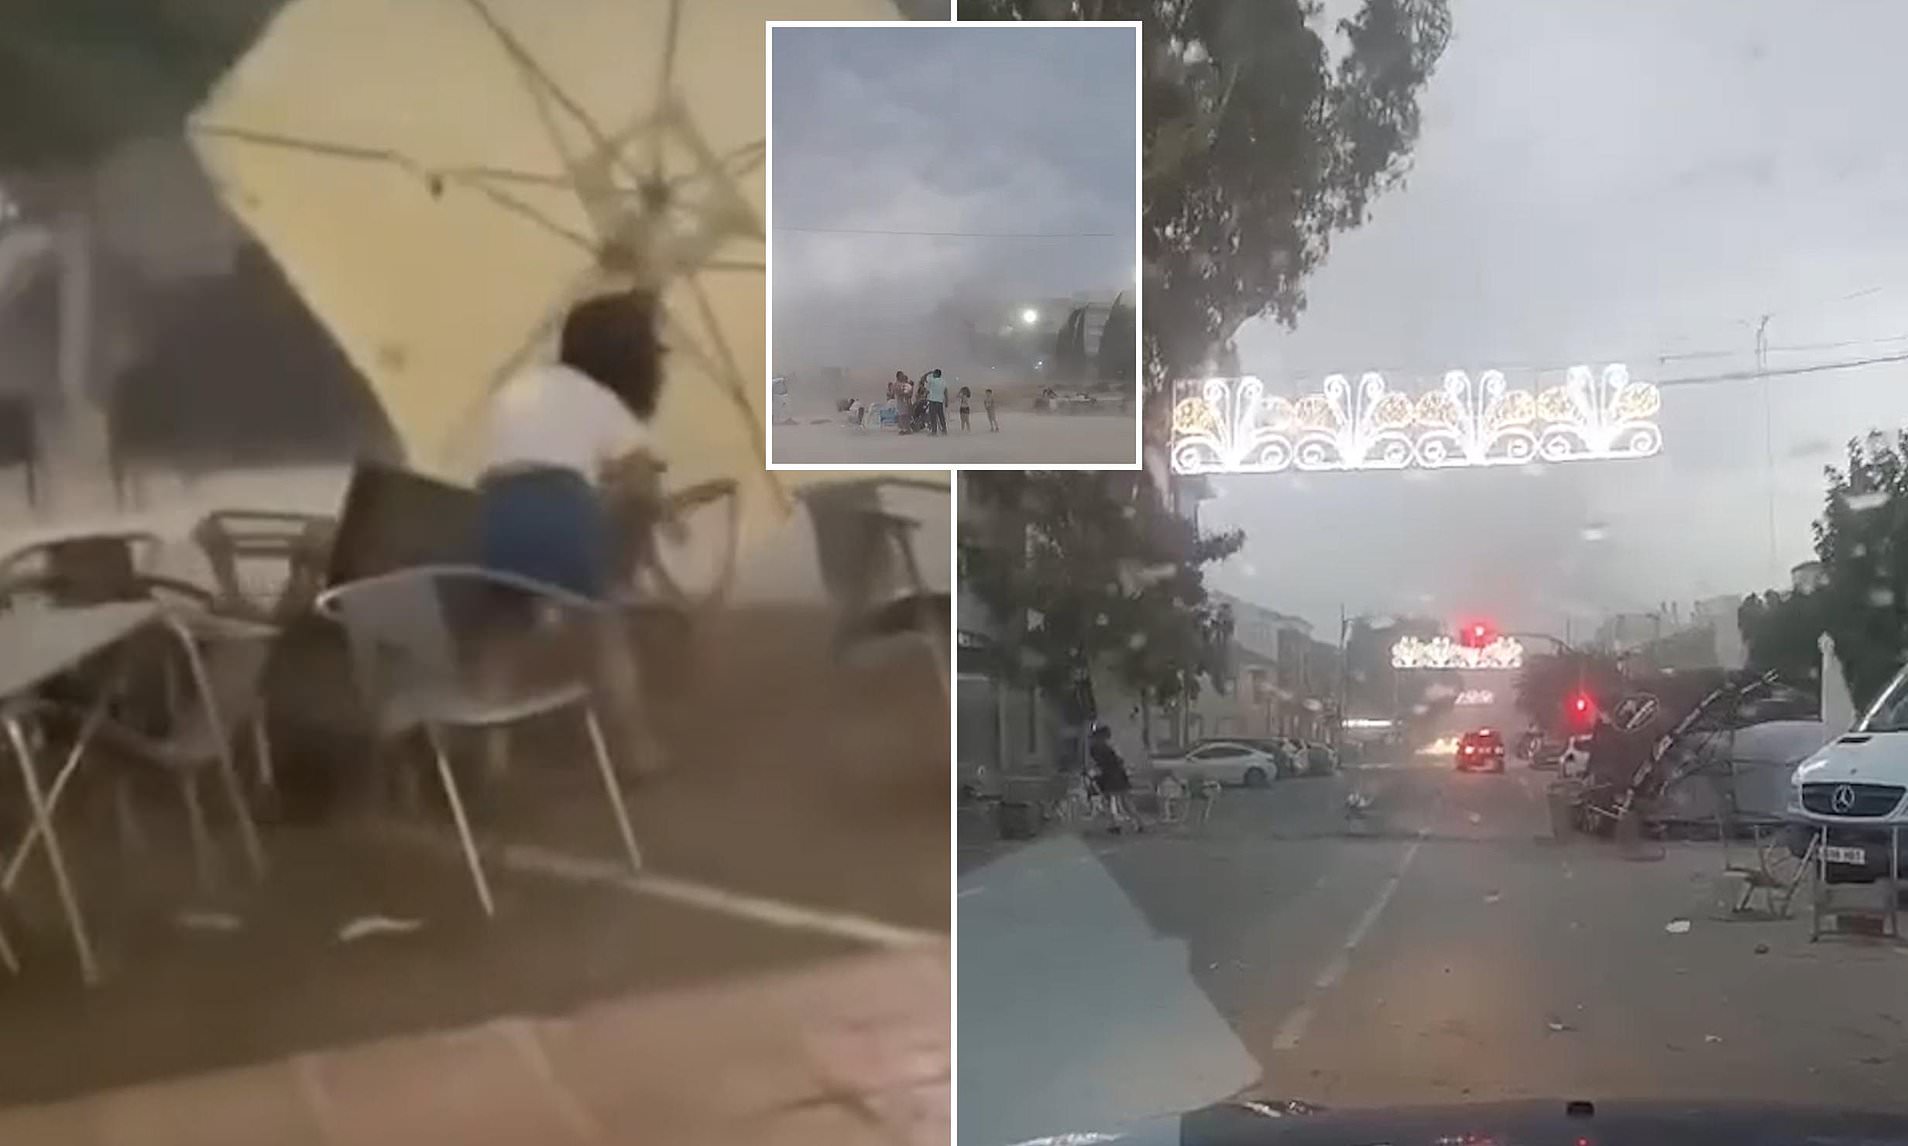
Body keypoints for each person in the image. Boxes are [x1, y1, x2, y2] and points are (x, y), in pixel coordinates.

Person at [473, 288, 667, 777]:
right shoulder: (604, 403)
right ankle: (637, 753)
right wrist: (623, 533)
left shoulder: (520, 386)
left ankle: (491, 755)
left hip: (495, 515)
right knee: (605, 638)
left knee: (501, 641)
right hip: (562, 511)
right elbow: (641, 483)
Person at [1088, 723, 1139, 834]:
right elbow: (1119, 760)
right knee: (1125, 800)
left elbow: (1099, 763)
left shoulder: (1095, 748)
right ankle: (1137, 823)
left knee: (1109, 801)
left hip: (1107, 776)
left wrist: (1095, 773)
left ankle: (1114, 824)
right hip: (1116, 775)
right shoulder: (1109, 747)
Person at [923, 368, 949, 436]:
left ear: (936, 374)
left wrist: (929, 372)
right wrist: (946, 401)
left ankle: (934, 431)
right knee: (941, 417)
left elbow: (923, 379)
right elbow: (945, 391)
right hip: (940, 401)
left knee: (933, 417)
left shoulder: (932, 380)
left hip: (932, 401)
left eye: (934, 373)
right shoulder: (943, 381)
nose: (933, 374)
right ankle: (944, 430)